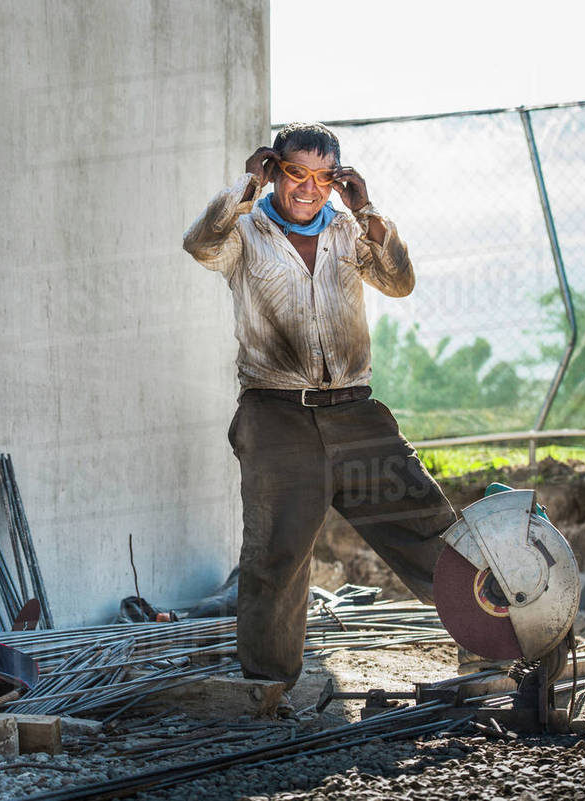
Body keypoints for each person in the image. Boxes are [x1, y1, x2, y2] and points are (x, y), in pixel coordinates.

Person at [182, 122, 458, 707]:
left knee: (425, 521)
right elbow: (201, 245)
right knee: (275, 555)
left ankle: (494, 642)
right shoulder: (246, 232)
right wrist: (245, 188)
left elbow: (399, 283)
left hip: (354, 413)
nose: (308, 188)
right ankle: (268, 685)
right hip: (275, 413)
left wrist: (371, 213)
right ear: (274, 170)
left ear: (337, 180)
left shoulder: (347, 228)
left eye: (322, 177)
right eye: (294, 173)